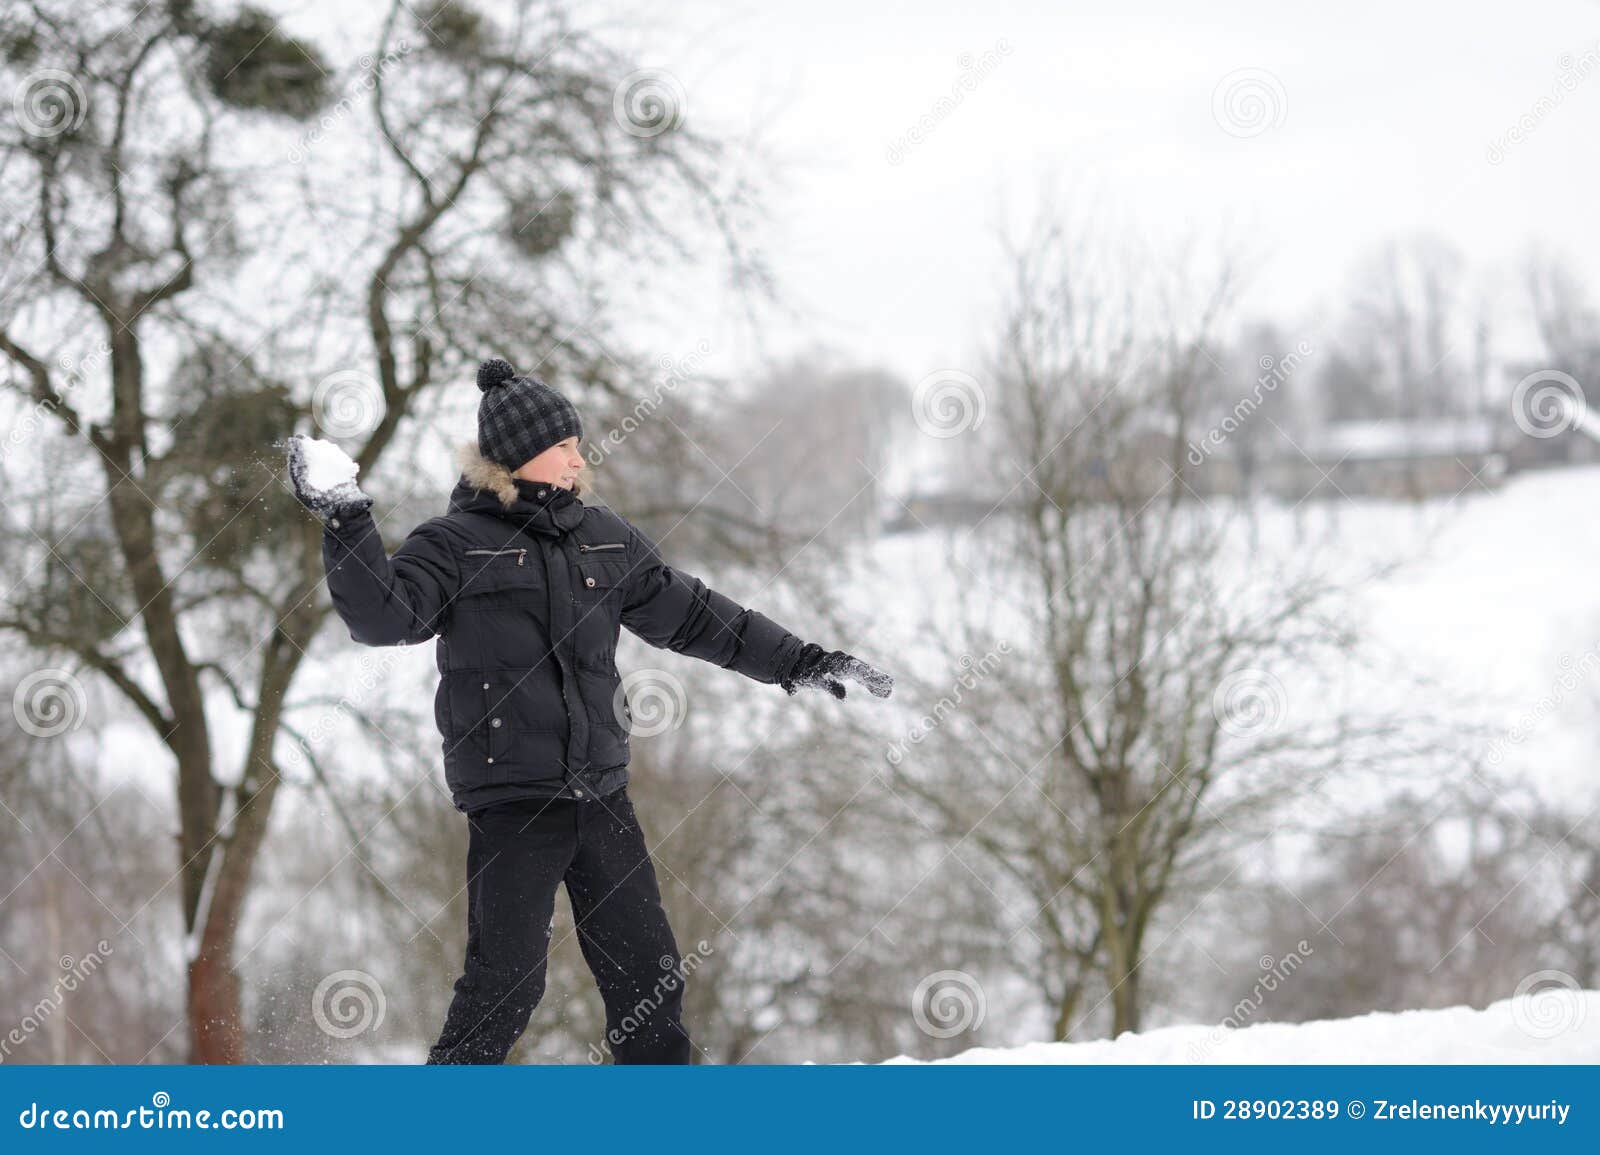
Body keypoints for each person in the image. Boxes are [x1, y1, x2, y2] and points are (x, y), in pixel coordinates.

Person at [285, 357, 892, 1064]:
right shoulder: (454, 544)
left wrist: (800, 661)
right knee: (506, 987)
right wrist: (346, 515)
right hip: (514, 801)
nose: (579, 457)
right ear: (517, 456)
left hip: (601, 792)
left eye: (577, 443)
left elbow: (698, 616)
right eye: (565, 444)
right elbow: (382, 615)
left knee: (649, 979)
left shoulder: (603, 538)